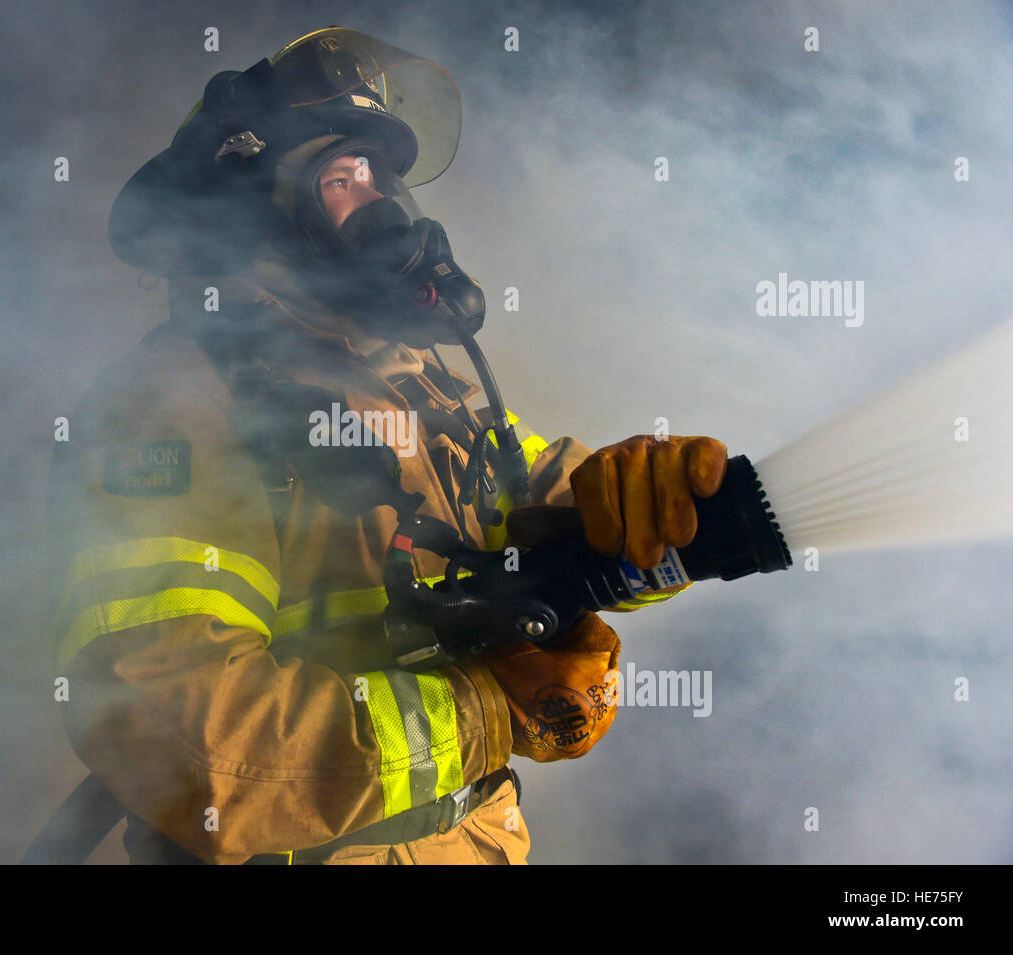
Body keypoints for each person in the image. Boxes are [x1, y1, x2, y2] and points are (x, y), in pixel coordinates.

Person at [42, 27, 727, 865]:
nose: (387, 208)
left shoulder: (422, 389)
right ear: (251, 216)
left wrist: (699, 508)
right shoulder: (169, 410)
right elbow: (199, 751)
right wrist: (486, 713)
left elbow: (570, 499)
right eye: (342, 178)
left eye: (382, 176)